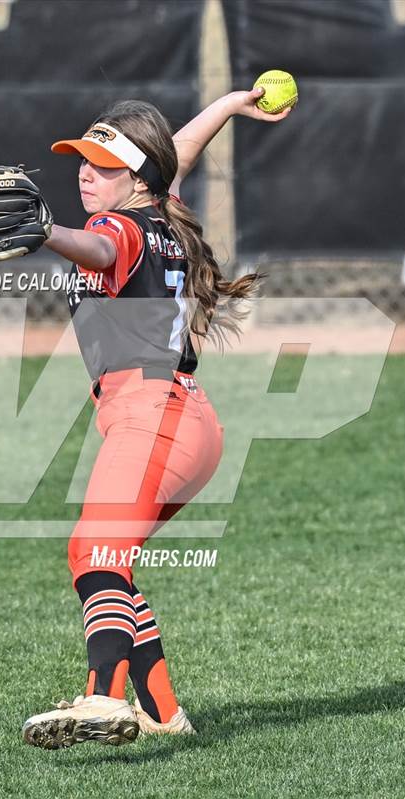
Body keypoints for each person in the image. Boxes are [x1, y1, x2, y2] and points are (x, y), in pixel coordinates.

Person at [21, 87, 292, 750]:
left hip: (151, 415)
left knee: (95, 552)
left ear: (136, 178)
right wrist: (227, 105)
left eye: (103, 164)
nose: (85, 171)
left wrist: (46, 233)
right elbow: (174, 162)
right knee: (111, 559)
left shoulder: (119, 228)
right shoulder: (161, 215)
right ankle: (162, 711)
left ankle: (102, 699)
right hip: (183, 421)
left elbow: (101, 250)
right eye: (82, 159)